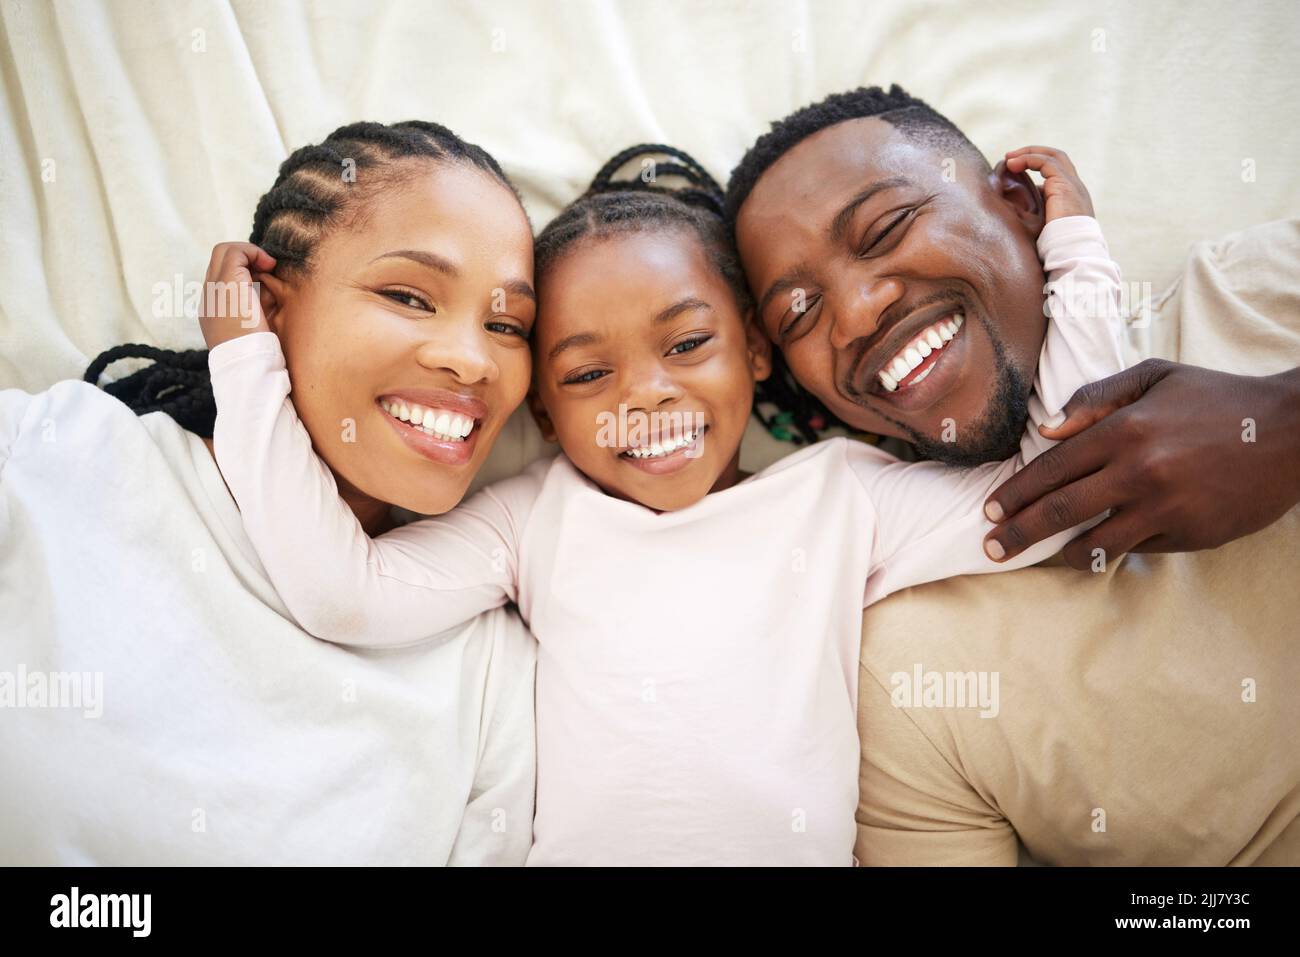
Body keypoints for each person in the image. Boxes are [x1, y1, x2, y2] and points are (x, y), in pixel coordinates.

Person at [200, 142, 1123, 866]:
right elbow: (344, 594)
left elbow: (1063, 486)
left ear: (754, 349)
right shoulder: (535, 517)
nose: (645, 394)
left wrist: (1076, 255)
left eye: (686, 344)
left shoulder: (840, 498)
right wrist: (246, 365)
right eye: (587, 374)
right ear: (545, 414)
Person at [725, 85, 1300, 864]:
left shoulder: (1252, 295)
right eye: (799, 313)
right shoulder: (900, 680)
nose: (856, 314)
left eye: (886, 228)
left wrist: (1284, 426)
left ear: (1022, 203)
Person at [0, 121, 539, 865]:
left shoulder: (494, 676)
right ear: (265, 308)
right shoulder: (56, 454)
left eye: (507, 324)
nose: (473, 361)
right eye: (410, 296)